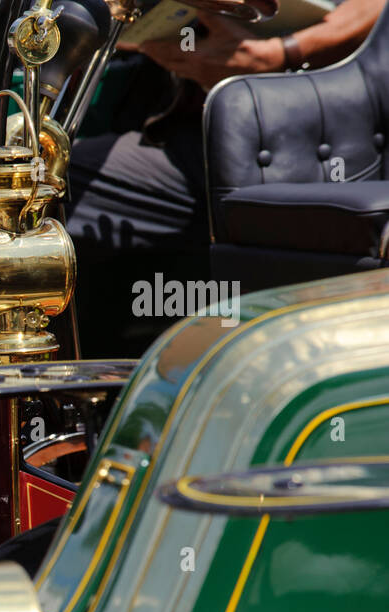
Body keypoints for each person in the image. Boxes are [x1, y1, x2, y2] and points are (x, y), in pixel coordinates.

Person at [67, 0, 388, 355]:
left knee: (51, 190)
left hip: (309, 129)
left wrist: (282, 53)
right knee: (41, 184)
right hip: (188, 119)